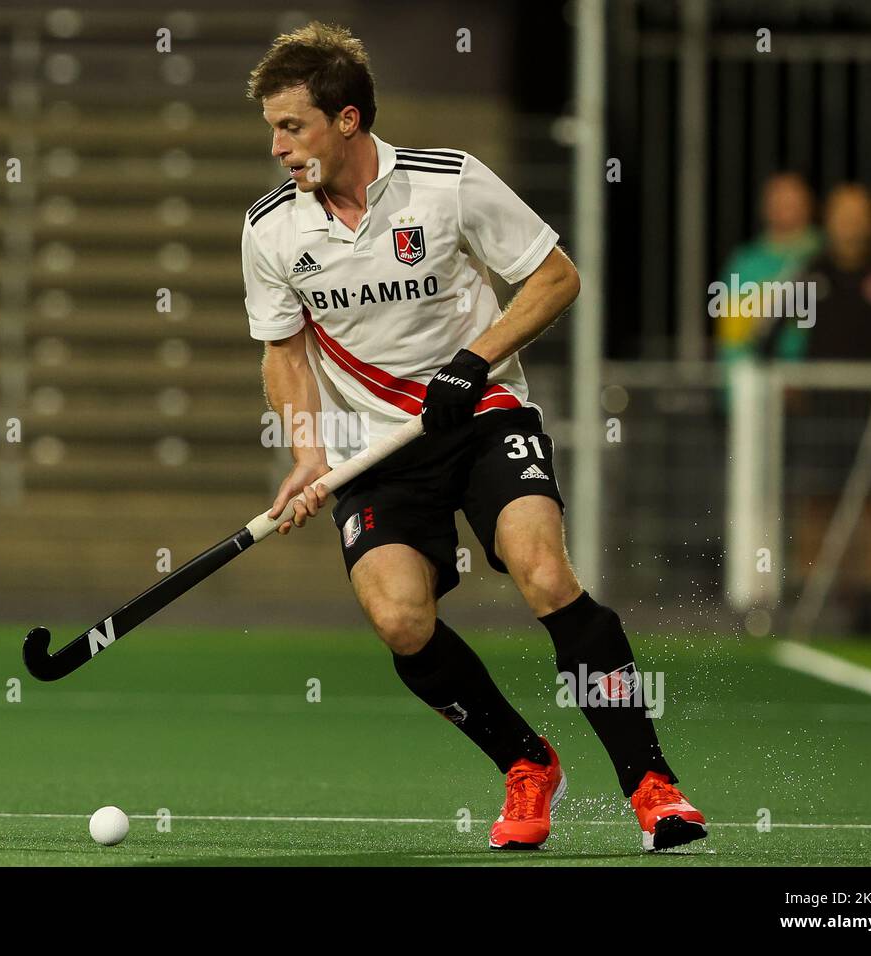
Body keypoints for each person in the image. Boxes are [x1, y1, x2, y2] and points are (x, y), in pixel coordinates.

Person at [240, 21, 705, 851]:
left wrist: (476, 359)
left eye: (292, 125)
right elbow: (284, 352)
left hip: (481, 417)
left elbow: (556, 276)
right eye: (273, 128)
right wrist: (309, 454)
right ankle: (527, 763)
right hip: (374, 452)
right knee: (399, 619)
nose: (277, 146)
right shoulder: (272, 230)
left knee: (543, 572)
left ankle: (652, 785)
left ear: (347, 120)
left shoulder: (446, 183)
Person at [761, 184, 871, 633]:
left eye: (860, 214)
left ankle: (870, 601)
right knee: (818, 501)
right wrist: (786, 384)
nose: (852, 224)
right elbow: (765, 340)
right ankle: (812, 593)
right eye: (844, 215)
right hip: (820, 412)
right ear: (829, 220)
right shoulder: (810, 273)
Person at [715, 172, 823, 380]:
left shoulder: (828, 256)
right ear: (764, 207)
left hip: (819, 383)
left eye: (793, 200)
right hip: (762, 383)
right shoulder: (746, 264)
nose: (786, 207)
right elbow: (732, 342)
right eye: (778, 200)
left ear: (810, 204)